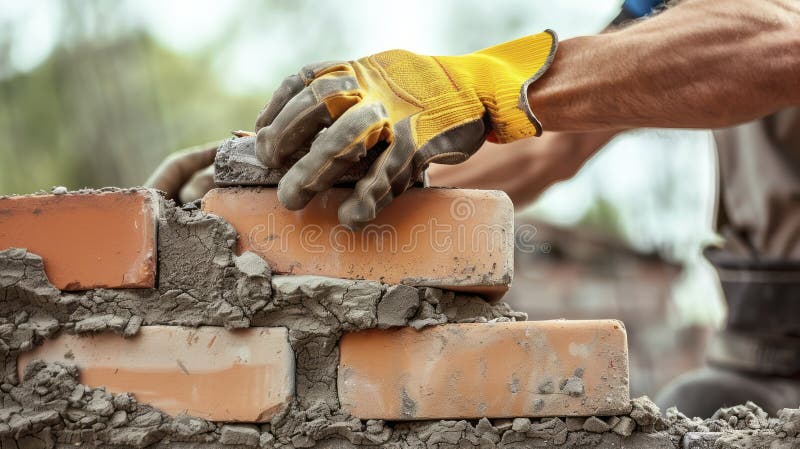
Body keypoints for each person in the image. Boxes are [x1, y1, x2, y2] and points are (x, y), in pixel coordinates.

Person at [147, 0, 800, 416]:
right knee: (706, 404)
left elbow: (781, 47)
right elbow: (550, 147)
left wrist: (482, 84)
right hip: (760, 347)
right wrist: (337, 176)